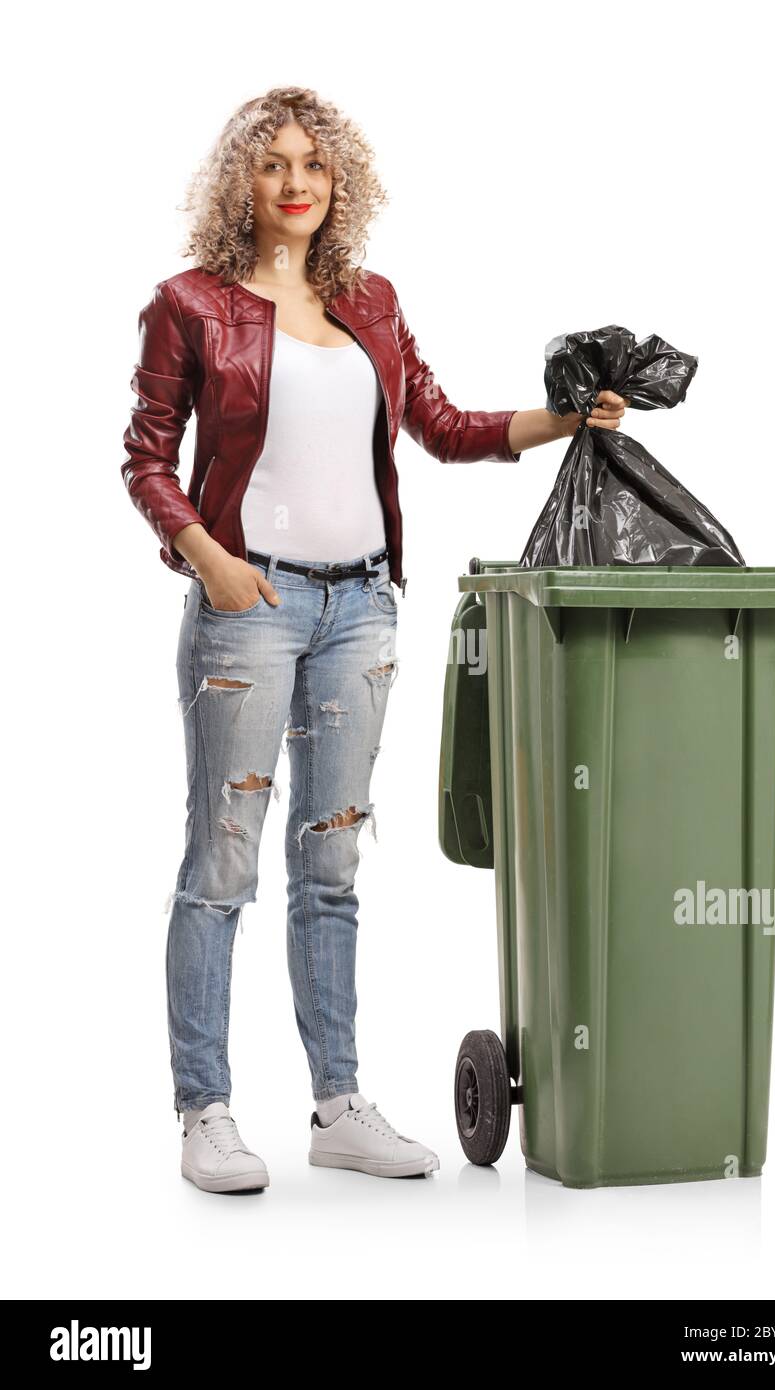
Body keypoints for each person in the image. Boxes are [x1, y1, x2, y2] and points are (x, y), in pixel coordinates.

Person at [121, 85, 626, 1195]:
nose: (295, 182)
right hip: (247, 610)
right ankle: (205, 1110)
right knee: (221, 864)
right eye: (271, 164)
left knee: (331, 861)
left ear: (337, 180)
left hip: (362, 608)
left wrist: (565, 418)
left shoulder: (372, 302)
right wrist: (208, 558)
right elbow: (147, 459)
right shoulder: (191, 304)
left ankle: (337, 1102)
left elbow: (440, 427)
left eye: (313, 164)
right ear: (239, 183)